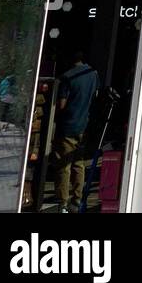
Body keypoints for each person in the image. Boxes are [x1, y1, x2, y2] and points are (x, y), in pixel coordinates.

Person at [52, 52, 98, 213]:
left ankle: (62, 201)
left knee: (64, 165)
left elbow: (62, 105)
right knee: (79, 163)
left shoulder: (66, 77)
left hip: (68, 124)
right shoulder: (92, 74)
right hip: (83, 123)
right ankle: (77, 198)